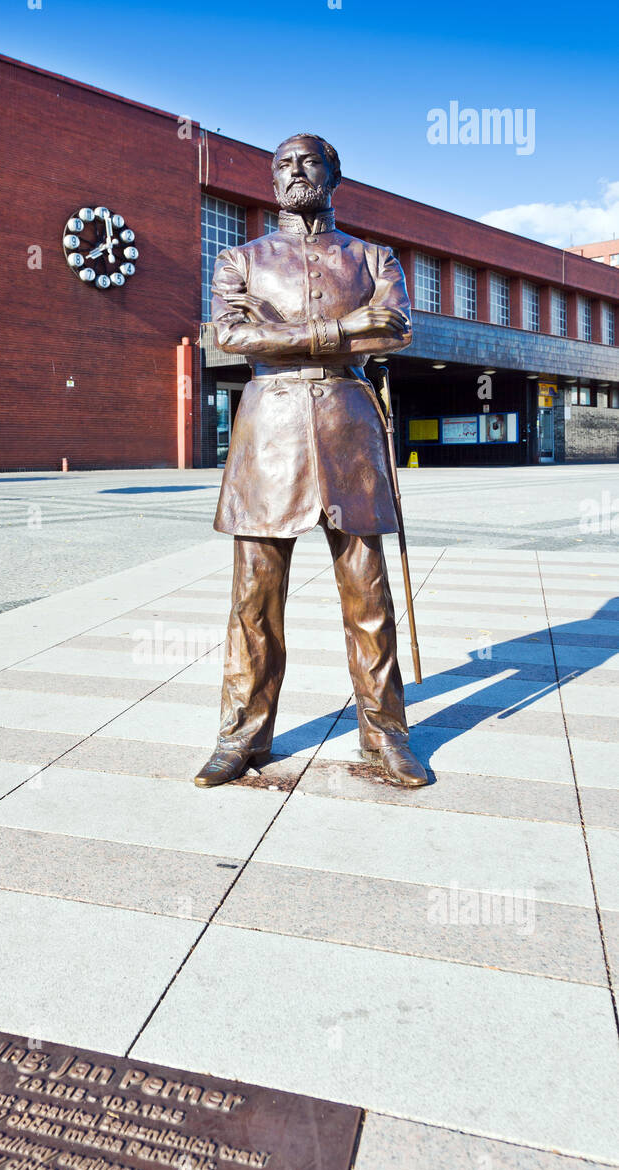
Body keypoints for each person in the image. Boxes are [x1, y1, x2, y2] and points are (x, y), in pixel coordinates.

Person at [195, 132, 428, 789]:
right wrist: (343, 330)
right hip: (268, 437)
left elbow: (398, 328)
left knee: (369, 598)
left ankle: (387, 735)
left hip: (349, 432)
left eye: (308, 162)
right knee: (253, 603)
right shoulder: (239, 258)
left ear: (334, 174)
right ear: (273, 182)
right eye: (283, 164)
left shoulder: (373, 256)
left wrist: (291, 335)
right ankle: (240, 737)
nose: (295, 172)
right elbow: (232, 334)